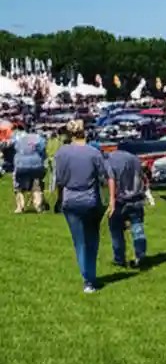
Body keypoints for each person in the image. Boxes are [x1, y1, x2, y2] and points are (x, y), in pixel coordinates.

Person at [53, 120, 115, 293]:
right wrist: (111, 199)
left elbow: (59, 180)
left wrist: (59, 199)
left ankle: (87, 279)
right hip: (90, 199)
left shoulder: (62, 153)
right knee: (92, 240)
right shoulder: (94, 153)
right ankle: (90, 276)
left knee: (79, 241)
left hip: (70, 199)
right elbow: (106, 176)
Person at [105, 147, 149, 269]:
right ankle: (140, 255)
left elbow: (111, 178)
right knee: (137, 227)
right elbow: (142, 177)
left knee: (116, 231)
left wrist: (111, 199)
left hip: (120, 200)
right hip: (136, 198)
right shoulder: (135, 159)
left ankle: (119, 258)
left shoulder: (110, 160)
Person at [12, 129, 48, 213]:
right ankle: (38, 206)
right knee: (36, 184)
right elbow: (42, 150)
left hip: (21, 164)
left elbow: (15, 148)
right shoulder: (39, 138)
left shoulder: (19, 138)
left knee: (18, 186)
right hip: (36, 164)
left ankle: (20, 207)